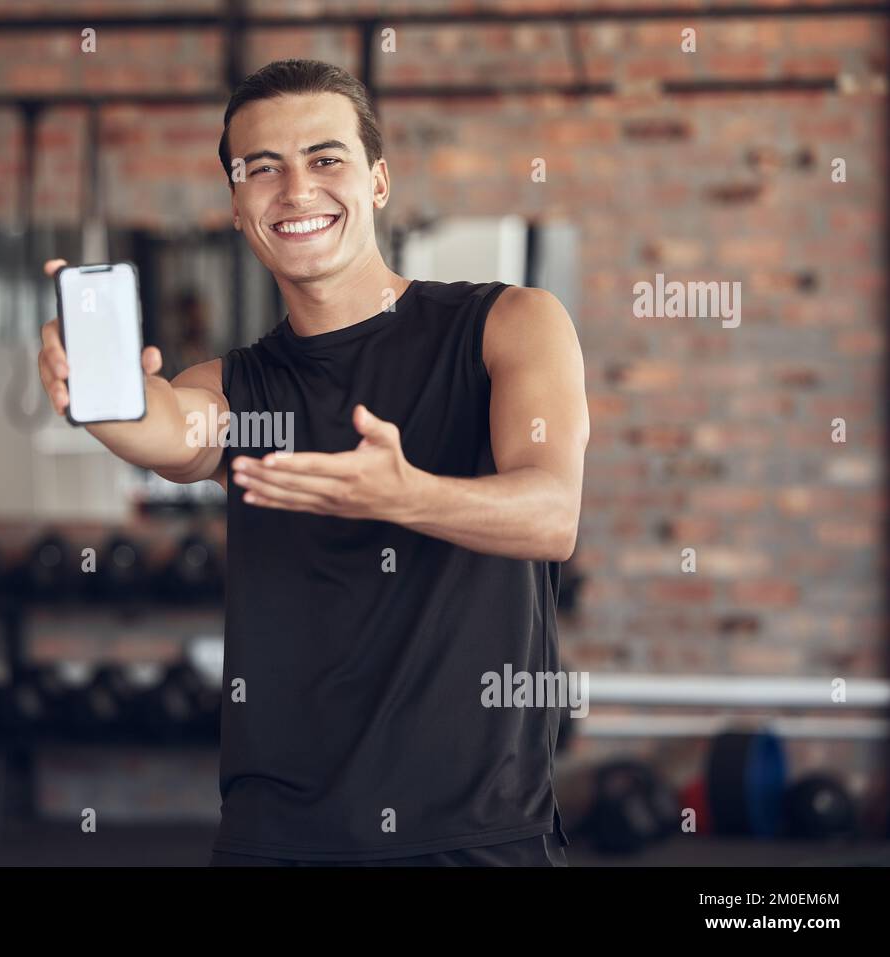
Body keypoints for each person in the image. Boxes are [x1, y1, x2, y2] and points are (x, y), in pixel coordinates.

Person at [37, 59, 589, 866]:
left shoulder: (508, 324)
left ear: (378, 181)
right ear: (236, 206)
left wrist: (407, 494)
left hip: (473, 834)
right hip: (279, 838)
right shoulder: (241, 386)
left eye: (325, 159)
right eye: (262, 169)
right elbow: (171, 426)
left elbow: (552, 516)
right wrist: (105, 393)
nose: (295, 189)